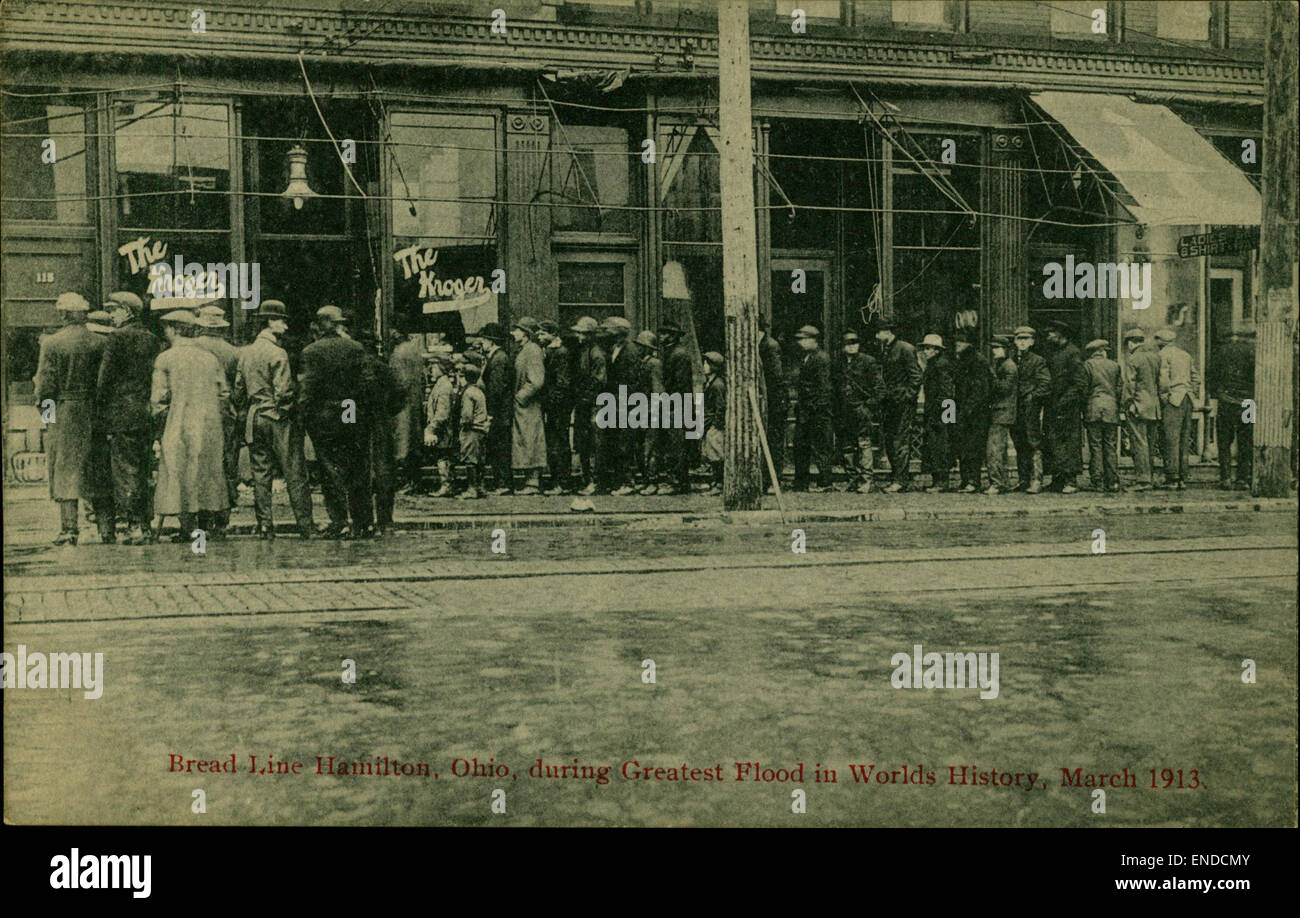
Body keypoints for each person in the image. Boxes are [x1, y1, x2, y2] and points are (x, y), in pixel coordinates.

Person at [233, 300, 314, 540]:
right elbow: (284, 391)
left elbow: (238, 390)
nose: (285, 326)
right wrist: (286, 411)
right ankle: (305, 524)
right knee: (294, 472)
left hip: (254, 416)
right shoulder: (278, 353)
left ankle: (265, 525)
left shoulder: (245, 352)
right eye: (281, 320)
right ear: (270, 322)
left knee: (261, 473)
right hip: (277, 417)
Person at [35, 292, 109, 545]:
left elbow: (45, 386)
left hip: (65, 412)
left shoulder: (52, 343)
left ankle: (69, 531)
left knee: (66, 471)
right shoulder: (100, 342)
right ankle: (106, 530)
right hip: (95, 411)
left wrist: (48, 420)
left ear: (63, 314)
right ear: (84, 314)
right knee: (98, 468)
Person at [151, 310, 231, 540]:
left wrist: (159, 424)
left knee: (179, 472)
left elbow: (158, 399)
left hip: (180, 422)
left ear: (174, 329)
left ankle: (188, 528)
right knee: (209, 472)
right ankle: (208, 526)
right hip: (210, 423)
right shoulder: (209, 358)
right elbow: (224, 393)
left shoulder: (165, 358)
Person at [300, 305, 374, 538]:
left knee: (330, 468)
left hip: (325, 416)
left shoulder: (311, 352)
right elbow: (367, 383)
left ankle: (340, 520)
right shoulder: (355, 347)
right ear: (337, 324)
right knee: (358, 466)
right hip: (351, 411)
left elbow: (307, 389)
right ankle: (364, 521)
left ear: (320, 325)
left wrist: (302, 417)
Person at [96, 291, 160, 543]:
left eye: (115, 310)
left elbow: (104, 380)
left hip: (121, 414)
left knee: (125, 471)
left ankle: (133, 524)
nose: (111, 315)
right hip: (145, 413)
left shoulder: (117, 338)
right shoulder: (152, 339)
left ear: (127, 311)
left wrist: (102, 408)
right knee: (144, 469)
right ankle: (145, 522)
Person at [194, 304, 242, 535]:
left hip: (197, 412)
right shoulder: (233, 352)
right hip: (225, 414)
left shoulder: (193, 349)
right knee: (226, 464)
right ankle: (223, 518)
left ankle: (202, 519)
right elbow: (238, 388)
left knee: (201, 464)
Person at [358, 331, 405, 535]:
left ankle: (364, 521)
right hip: (381, 424)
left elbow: (347, 400)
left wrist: (349, 420)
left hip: (359, 425)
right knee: (384, 473)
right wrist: (387, 413)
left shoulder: (354, 370)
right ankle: (385, 521)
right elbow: (399, 394)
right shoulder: (383, 369)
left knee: (360, 473)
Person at [874, 318, 923, 493]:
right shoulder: (886, 349)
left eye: (879, 332)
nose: (877, 335)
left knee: (900, 441)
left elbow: (916, 376)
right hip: (890, 403)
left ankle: (900, 480)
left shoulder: (905, 348)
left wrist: (907, 396)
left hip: (902, 404)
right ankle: (896, 476)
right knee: (890, 440)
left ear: (887, 332)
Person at [834, 331, 883, 494]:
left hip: (861, 410)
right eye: (848, 343)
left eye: (855, 342)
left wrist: (867, 407)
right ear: (843, 346)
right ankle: (853, 479)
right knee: (847, 446)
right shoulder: (838, 363)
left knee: (864, 444)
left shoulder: (868, 362)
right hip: (843, 411)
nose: (852, 346)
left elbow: (879, 388)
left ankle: (866, 480)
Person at [1043, 322, 1087, 493]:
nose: (1048, 337)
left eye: (1051, 333)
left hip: (1067, 407)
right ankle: (1058, 479)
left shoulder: (1072, 353)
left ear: (1060, 334)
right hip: (1053, 405)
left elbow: (1080, 384)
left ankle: (1070, 481)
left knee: (1069, 443)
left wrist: (1064, 402)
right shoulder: (1054, 353)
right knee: (1054, 443)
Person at [1208, 329, 1255, 490]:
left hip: (1226, 401)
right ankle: (1243, 477)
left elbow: (1211, 376)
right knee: (1246, 440)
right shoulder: (1253, 351)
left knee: (1224, 441)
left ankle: (1225, 477)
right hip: (1249, 402)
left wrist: (1216, 394)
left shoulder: (1221, 352)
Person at [1155, 326, 1199, 490]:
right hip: (1187, 399)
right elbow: (1196, 377)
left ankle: (1172, 477)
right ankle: (1182, 477)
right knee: (1184, 439)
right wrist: (1190, 391)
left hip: (1174, 400)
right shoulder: (1185, 355)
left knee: (1171, 439)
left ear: (1161, 342)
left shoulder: (1162, 355)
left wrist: (1165, 397)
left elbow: (1163, 380)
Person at [791, 325, 834, 492]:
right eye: (800, 339)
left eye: (804, 339)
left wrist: (816, 408)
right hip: (805, 412)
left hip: (817, 412)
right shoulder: (807, 357)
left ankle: (825, 482)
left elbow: (824, 388)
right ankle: (801, 482)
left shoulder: (821, 358)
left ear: (814, 340)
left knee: (821, 446)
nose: (801, 342)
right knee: (800, 446)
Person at [602, 316, 640, 495]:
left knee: (625, 444)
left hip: (626, 404)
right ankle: (619, 481)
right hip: (616, 402)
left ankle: (628, 482)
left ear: (618, 332)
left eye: (608, 329)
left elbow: (631, 380)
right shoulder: (614, 348)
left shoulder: (631, 350)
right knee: (617, 443)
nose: (605, 333)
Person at [509, 317, 547, 496]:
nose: (513, 333)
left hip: (528, 406)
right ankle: (529, 480)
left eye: (517, 330)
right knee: (526, 440)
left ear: (525, 334)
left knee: (531, 439)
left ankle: (533, 482)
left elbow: (537, 381)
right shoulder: (526, 350)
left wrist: (519, 397)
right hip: (524, 406)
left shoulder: (532, 351)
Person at [1010, 326, 1050, 494]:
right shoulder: (1012, 360)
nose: (1022, 342)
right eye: (1019, 339)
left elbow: (1045, 384)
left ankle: (1036, 480)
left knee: (1033, 443)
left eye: (1026, 339)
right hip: (1014, 409)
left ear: (1032, 341)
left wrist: (1032, 397)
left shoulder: (1037, 360)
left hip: (1030, 409)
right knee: (1019, 444)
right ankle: (1023, 479)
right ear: (1014, 341)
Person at [1121, 327, 1162, 492]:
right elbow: (1161, 383)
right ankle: (1150, 477)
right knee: (1150, 444)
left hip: (1138, 405)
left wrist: (1127, 403)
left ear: (1131, 343)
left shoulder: (1133, 359)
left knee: (1139, 444)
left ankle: (1143, 480)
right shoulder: (1155, 357)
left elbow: (1130, 384)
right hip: (1154, 406)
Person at [570, 316, 607, 495]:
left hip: (594, 405)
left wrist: (585, 397)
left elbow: (599, 380)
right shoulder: (584, 350)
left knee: (594, 444)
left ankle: (595, 481)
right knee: (583, 444)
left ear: (590, 335)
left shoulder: (596, 353)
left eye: (582, 333)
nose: (579, 336)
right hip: (585, 404)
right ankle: (587, 480)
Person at [952, 329, 992, 493]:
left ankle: (973, 481)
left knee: (973, 448)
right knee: (963, 447)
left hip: (975, 413)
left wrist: (968, 409)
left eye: (960, 343)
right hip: (964, 410)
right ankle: (966, 479)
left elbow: (980, 390)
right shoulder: (963, 360)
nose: (957, 345)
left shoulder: (977, 361)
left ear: (969, 344)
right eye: (956, 343)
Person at [389, 323, 427, 493]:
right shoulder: (414, 350)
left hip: (402, 404)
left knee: (402, 441)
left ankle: (405, 481)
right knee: (413, 441)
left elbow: (399, 382)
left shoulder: (398, 353)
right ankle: (414, 480)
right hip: (415, 400)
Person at [477, 322, 514, 495]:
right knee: (498, 448)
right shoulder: (496, 357)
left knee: (501, 449)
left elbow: (496, 390)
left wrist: (490, 414)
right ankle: (501, 483)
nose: (481, 342)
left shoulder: (498, 359)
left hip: (500, 413)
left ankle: (504, 484)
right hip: (500, 412)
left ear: (491, 342)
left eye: (484, 339)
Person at [658, 321, 694, 495]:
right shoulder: (671, 352)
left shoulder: (679, 354)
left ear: (672, 336)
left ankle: (679, 482)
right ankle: (678, 481)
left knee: (677, 447)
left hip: (677, 406)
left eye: (664, 334)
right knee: (674, 446)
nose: (661, 337)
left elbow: (680, 385)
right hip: (674, 404)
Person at [539, 320, 573, 494]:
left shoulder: (561, 353)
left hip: (558, 408)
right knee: (554, 443)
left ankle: (562, 483)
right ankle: (558, 482)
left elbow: (562, 383)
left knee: (559, 443)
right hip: (553, 406)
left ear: (553, 335)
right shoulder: (550, 351)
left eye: (543, 333)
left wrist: (551, 404)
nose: (539, 336)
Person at [1083, 339, 1122, 492]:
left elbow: (1084, 389)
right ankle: (1113, 481)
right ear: (1103, 351)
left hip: (1093, 408)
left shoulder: (1087, 365)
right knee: (1110, 446)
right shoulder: (1115, 365)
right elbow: (1119, 389)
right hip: (1111, 409)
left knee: (1096, 446)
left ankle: (1098, 481)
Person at [919, 333, 955, 493]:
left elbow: (947, 391)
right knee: (934, 446)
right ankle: (937, 481)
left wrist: (943, 415)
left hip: (941, 412)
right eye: (925, 348)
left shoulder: (941, 365)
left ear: (936, 350)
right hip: (935, 411)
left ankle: (942, 482)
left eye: (928, 348)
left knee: (940, 446)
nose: (925, 351)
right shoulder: (933, 364)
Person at [983, 335, 1018, 495]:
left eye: (997, 348)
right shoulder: (1001, 365)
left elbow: (1004, 389)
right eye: (993, 348)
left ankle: (997, 483)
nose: (994, 351)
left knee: (994, 449)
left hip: (1002, 412)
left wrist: (991, 376)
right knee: (998, 449)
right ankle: (1001, 482)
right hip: (998, 411)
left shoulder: (1008, 366)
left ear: (1006, 349)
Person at [634, 330, 665, 494]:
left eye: (642, 346)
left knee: (651, 449)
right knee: (641, 447)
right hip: (641, 409)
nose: (639, 348)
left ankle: (653, 482)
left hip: (651, 412)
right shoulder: (643, 362)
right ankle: (646, 479)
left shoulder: (654, 364)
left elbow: (658, 390)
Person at [423, 352, 458, 497]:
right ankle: (447, 486)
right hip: (442, 431)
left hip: (443, 431)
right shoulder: (441, 384)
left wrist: (430, 429)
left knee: (443, 458)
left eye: (434, 366)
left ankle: (447, 486)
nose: (431, 369)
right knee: (442, 457)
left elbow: (442, 414)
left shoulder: (444, 387)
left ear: (441, 368)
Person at [759, 321, 787, 493]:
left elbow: (776, 377)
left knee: (774, 442)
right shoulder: (759, 345)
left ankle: (774, 480)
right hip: (766, 401)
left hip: (774, 403)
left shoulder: (770, 346)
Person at [456, 363, 490, 500]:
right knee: (479, 460)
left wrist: (461, 424)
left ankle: (472, 489)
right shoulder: (479, 391)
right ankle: (480, 487)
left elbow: (467, 416)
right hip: (481, 429)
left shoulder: (468, 393)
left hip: (471, 431)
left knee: (470, 460)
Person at [701, 351, 726, 494]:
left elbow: (720, 407)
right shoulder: (709, 382)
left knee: (717, 455)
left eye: (707, 363)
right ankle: (715, 482)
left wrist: (716, 425)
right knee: (711, 454)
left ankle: (719, 484)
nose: (704, 366)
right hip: (709, 423)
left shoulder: (717, 385)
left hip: (714, 425)